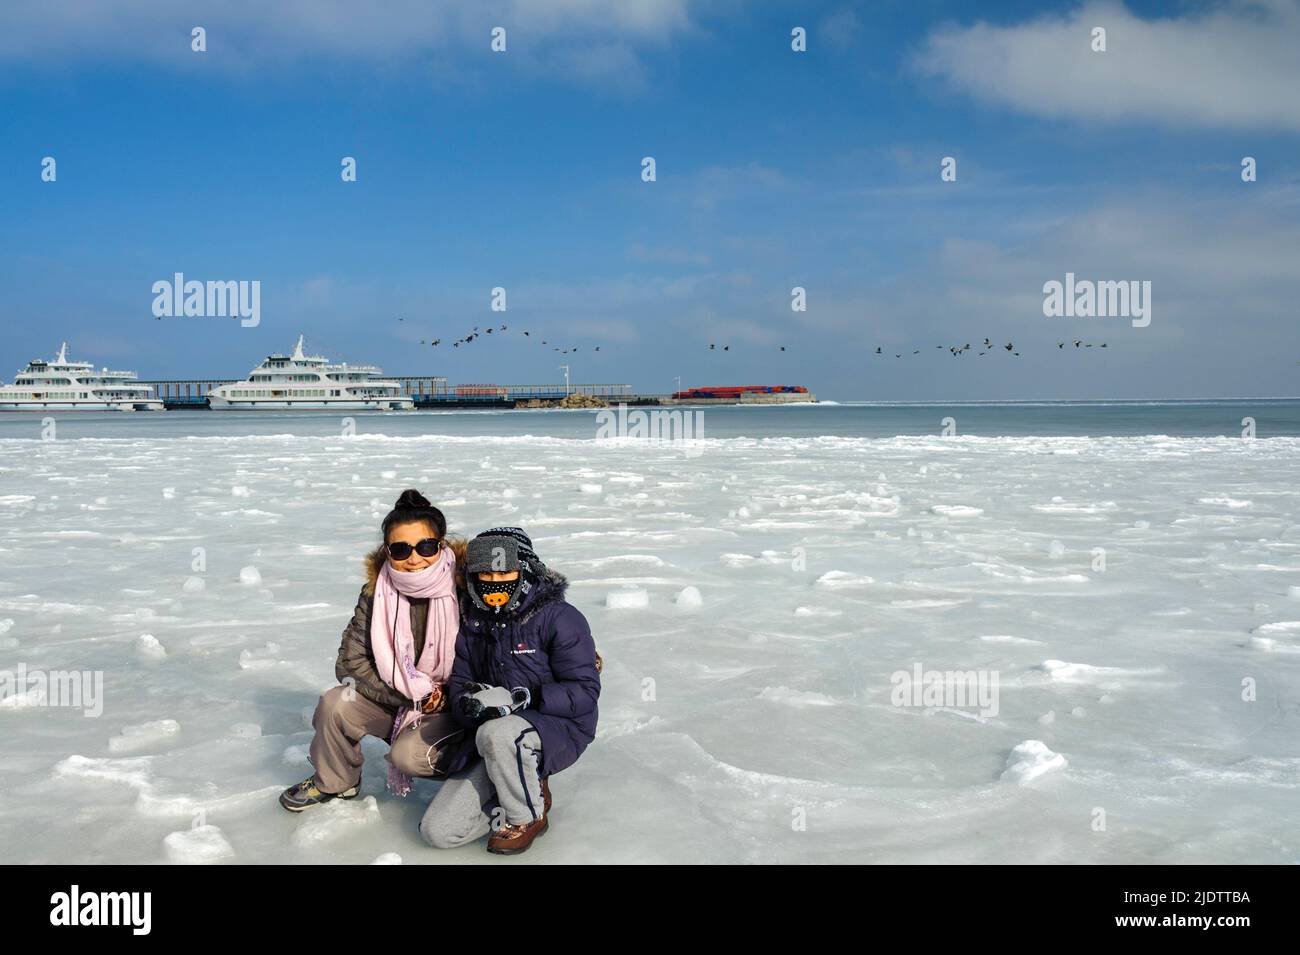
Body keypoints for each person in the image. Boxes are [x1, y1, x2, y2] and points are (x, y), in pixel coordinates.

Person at [280, 489, 470, 811]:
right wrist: (412, 695)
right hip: (399, 701)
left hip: (456, 710)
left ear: (442, 545)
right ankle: (337, 782)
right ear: (387, 551)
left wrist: (448, 697)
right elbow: (350, 662)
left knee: (408, 756)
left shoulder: (469, 587)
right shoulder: (376, 592)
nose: (414, 558)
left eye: (425, 546)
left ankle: (475, 769)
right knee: (336, 703)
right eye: (401, 549)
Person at [419, 527, 600, 855]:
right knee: (438, 832)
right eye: (484, 573)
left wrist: (528, 697)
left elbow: (585, 692)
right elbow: (461, 683)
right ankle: (520, 784)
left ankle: (527, 816)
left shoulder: (560, 618)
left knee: (501, 733)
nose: (494, 581)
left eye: (504, 571)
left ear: (526, 569)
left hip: (558, 725)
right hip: (492, 733)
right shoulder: (472, 621)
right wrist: (472, 705)